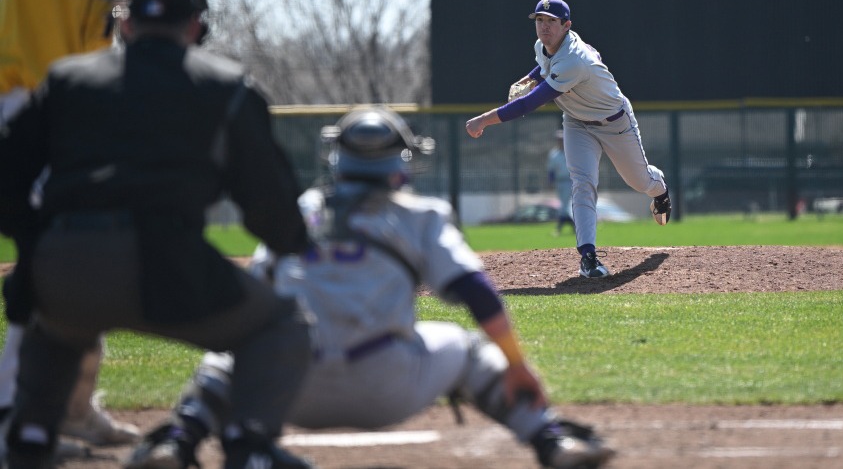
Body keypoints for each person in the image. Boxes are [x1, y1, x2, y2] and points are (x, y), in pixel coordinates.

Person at [125, 105, 616, 469]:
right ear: (400, 162)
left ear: (337, 157)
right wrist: (516, 363)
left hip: (292, 387)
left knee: (226, 358)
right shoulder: (421, 215)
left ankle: (178, 440)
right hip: (389, 383)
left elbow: (252, 298)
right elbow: (476, 292)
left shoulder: (302, 209)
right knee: (466, 347)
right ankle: (552, 440)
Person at [0, 0, 315, 469]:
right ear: (194, 28)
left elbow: (7, 174)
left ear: (123, 24)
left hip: (66, 261)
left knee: (55, 330)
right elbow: (269, 206)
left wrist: (35, 246)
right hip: (170, 263)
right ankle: (246, 446)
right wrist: (294, 241)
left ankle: (29, 439)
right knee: (280, 325)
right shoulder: (226, 85)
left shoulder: (66, 79)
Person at [0, 0, 162, 453]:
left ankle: (70, 405)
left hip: (84, 120)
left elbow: (147, 37)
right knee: (54, 262)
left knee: (91, 261)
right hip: (22, 109)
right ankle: (17, 410)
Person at [466, 0, 671, 279]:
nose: (544, 27)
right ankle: (588, 256)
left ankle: (660, 189)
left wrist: (483, 120)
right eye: (539, 20)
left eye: (551, 21)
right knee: (583, 182)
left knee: (639, 181)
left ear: (566, 25)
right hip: (576, 123)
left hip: (615, 124)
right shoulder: (543, 45)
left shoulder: (575, 59)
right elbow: (546, 63)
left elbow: (530, 104)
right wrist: (531, 77)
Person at [546, 129, 574, 236]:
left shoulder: (570, 151)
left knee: (565, 204)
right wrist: (550, 182)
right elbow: (551, 170)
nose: (560, 141)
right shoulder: (554, 154)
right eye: (558, 140)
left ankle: (560, 227)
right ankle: (573, 225)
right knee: (563, 204)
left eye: (562, 139)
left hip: (569, 180)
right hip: (559, 181)